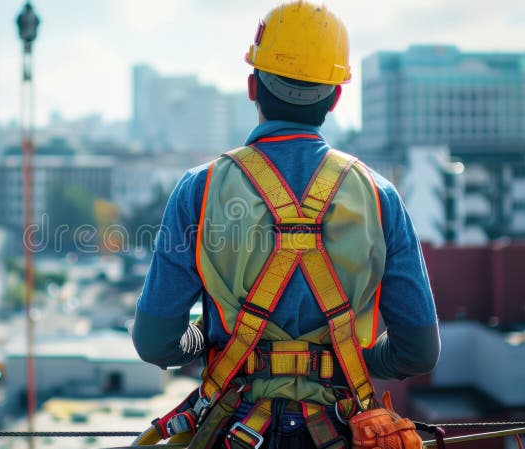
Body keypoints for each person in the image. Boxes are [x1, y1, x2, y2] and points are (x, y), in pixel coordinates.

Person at [132, 2, 440, 448]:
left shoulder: (201, 189)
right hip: (340, 431)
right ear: (335, 97)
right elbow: (419, 351)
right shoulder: (379, 196)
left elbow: (156, 342)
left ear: (253, 86)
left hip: (233, 429)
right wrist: (342, 359)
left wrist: (213, 341)